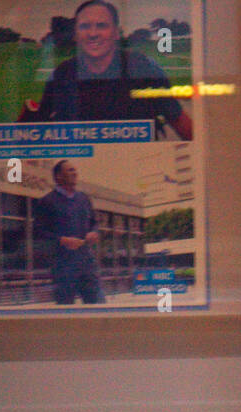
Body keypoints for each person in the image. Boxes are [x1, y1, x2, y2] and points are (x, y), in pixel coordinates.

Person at [19, 0, 193, 140]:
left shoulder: (144, 69)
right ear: (76, 34)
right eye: (85, 26)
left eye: (102, 26)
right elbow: (33, 134)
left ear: (116, 33)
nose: (93, 33)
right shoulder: (62, 75)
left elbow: (181, 123)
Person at [34, 160, 105, 304]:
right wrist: (62, 240)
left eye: (75, 170)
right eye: (70, 170)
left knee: (98, 306)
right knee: (65, 309)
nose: (75, 173)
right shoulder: (47, 201)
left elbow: (94, 223)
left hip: (86, 263)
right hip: (63, 265)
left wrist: (94, 232)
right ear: (59, 176)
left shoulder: (84, 199)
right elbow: (38, 231)